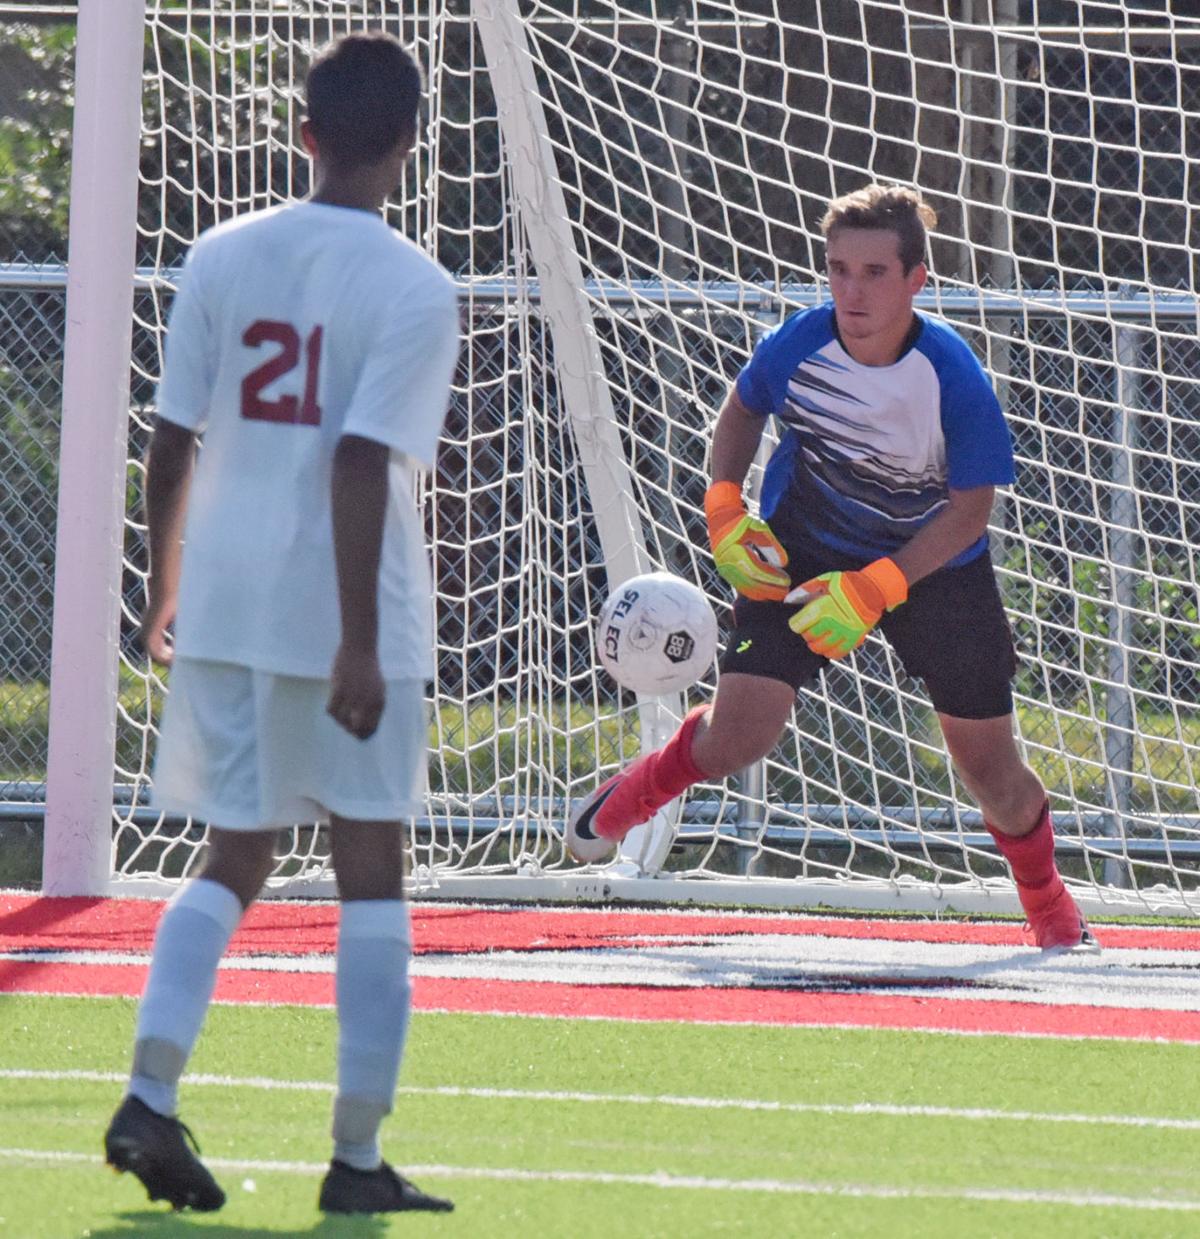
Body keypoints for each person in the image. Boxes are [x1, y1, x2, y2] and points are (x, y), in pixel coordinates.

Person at [103, 32, 460, 1215]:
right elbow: (360, 459)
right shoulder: (413, 282)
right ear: (412, 142)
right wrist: (358, 638)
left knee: (234, 856)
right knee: (369, 870)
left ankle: (149, 1094)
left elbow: (171, 440)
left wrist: (164, 587)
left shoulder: (220, 250)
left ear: (301, 133)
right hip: (340, 609)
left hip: (223, 599)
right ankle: (357, 1162)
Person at [568, 183, 1098, 956]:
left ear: (918, 280)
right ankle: (635, 790)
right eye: (838, 269)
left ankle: (1050, 904)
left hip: (933, 566)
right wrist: (724, 505)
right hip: (805, 547)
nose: (852, 290)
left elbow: (968, 512)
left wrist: (878, 586)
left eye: (875, 272)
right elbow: (744, 407)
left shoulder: (952, 374)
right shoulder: (799, 341)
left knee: (994, 775)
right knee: (738, 736)